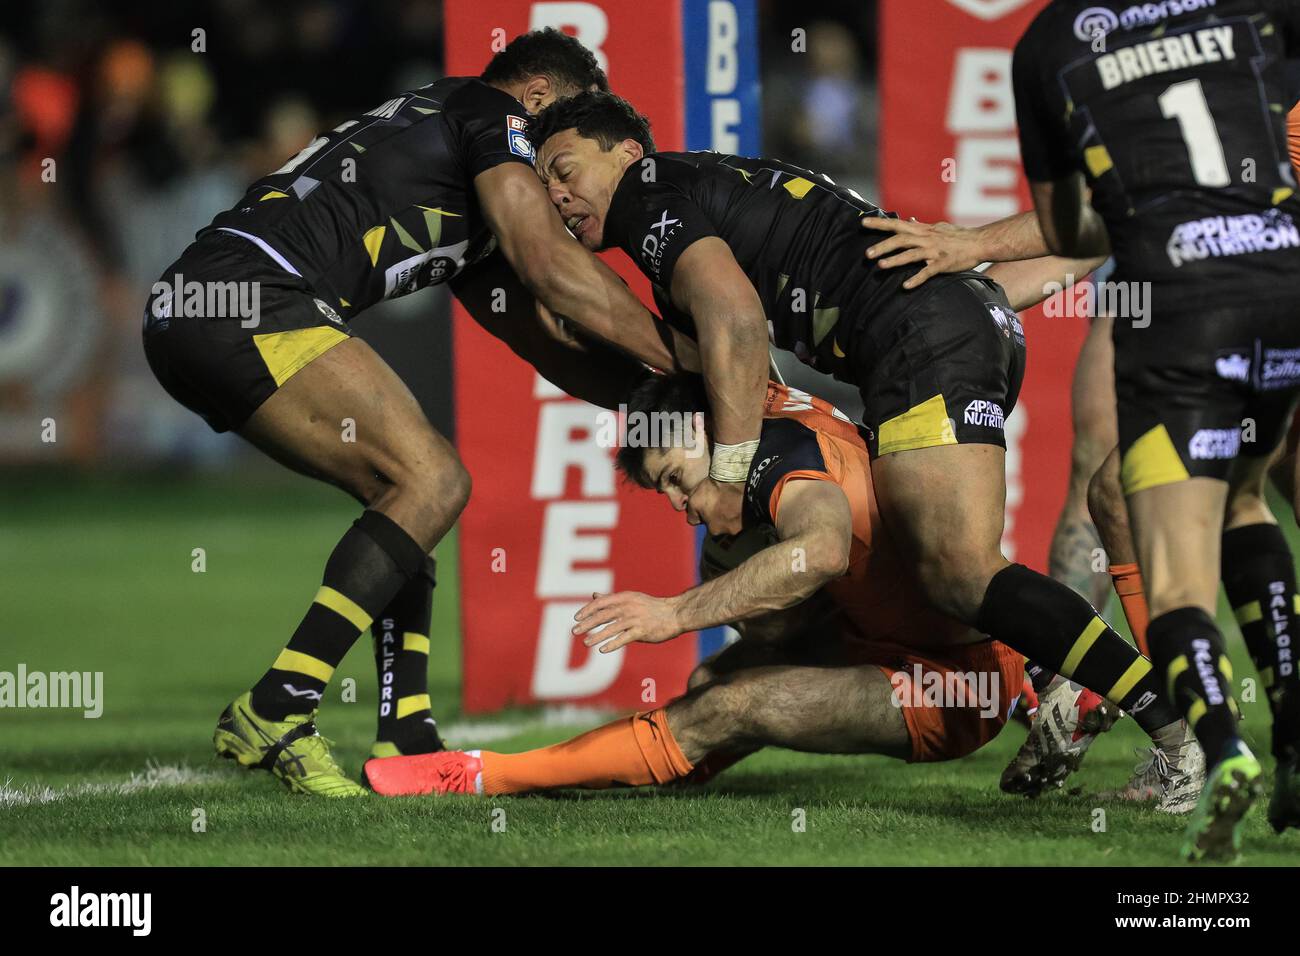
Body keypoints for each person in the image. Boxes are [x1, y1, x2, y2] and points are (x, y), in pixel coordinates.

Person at [518, 90, 1197, 798]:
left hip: (921, 342)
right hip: (963, 318)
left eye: (565, 170)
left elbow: (737, 321)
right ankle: (1061, 689)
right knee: (934, 569)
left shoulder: (646, 195)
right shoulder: (703, 190)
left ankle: (1172, 727)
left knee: (958, 572)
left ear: (627, 151)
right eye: (543, 185)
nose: (558, 195)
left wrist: (728, 473)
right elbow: (759, 343)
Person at [141, 30, 684, 796]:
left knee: (406, 492)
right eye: (561, 130)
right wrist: (690, 356)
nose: (560, 184)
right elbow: (552, 269)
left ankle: (406, 726)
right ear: (533, 99)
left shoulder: (467, 178)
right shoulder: (488, 112)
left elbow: (550, 344)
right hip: (252, 295)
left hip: (197, 307)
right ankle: (277, 707)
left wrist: (658, 402)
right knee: (433, 478)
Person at [363, 373, 1027, 798]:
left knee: (730, 705)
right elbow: (784, 620)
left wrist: (673, 613)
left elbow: (822, 549)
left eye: (678, 477)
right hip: (877, 633)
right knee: (711, 689)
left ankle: (480, 775)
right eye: (666, 492)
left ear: (710, 433)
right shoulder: (759, 410)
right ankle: (657, 771)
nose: (681, 503)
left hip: (951, 682)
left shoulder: (785, 465)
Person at [1013, 0, 1300, 858]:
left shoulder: (1049, 44)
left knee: (1157, 549)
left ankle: (1222, 750)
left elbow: (1068, 228)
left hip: (1181, 304)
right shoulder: (1252, 13)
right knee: (1248, 496)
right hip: (1279, 282)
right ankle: (1287, 721)